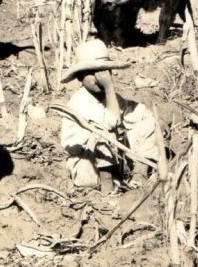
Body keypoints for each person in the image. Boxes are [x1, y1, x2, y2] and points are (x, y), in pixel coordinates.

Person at [60, 39, 159, 191]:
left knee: (145, 119)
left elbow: (136, 111)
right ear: (80, 77)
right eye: (93, 73)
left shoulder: (108, 97)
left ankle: (139, 174)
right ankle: (108, 189)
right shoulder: (81, 101)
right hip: (88, 168)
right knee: (104, 133)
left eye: (105, 72)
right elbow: (112, 122)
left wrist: (155, 120)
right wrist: (109, 87)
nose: (100, 78)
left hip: (114, 163)